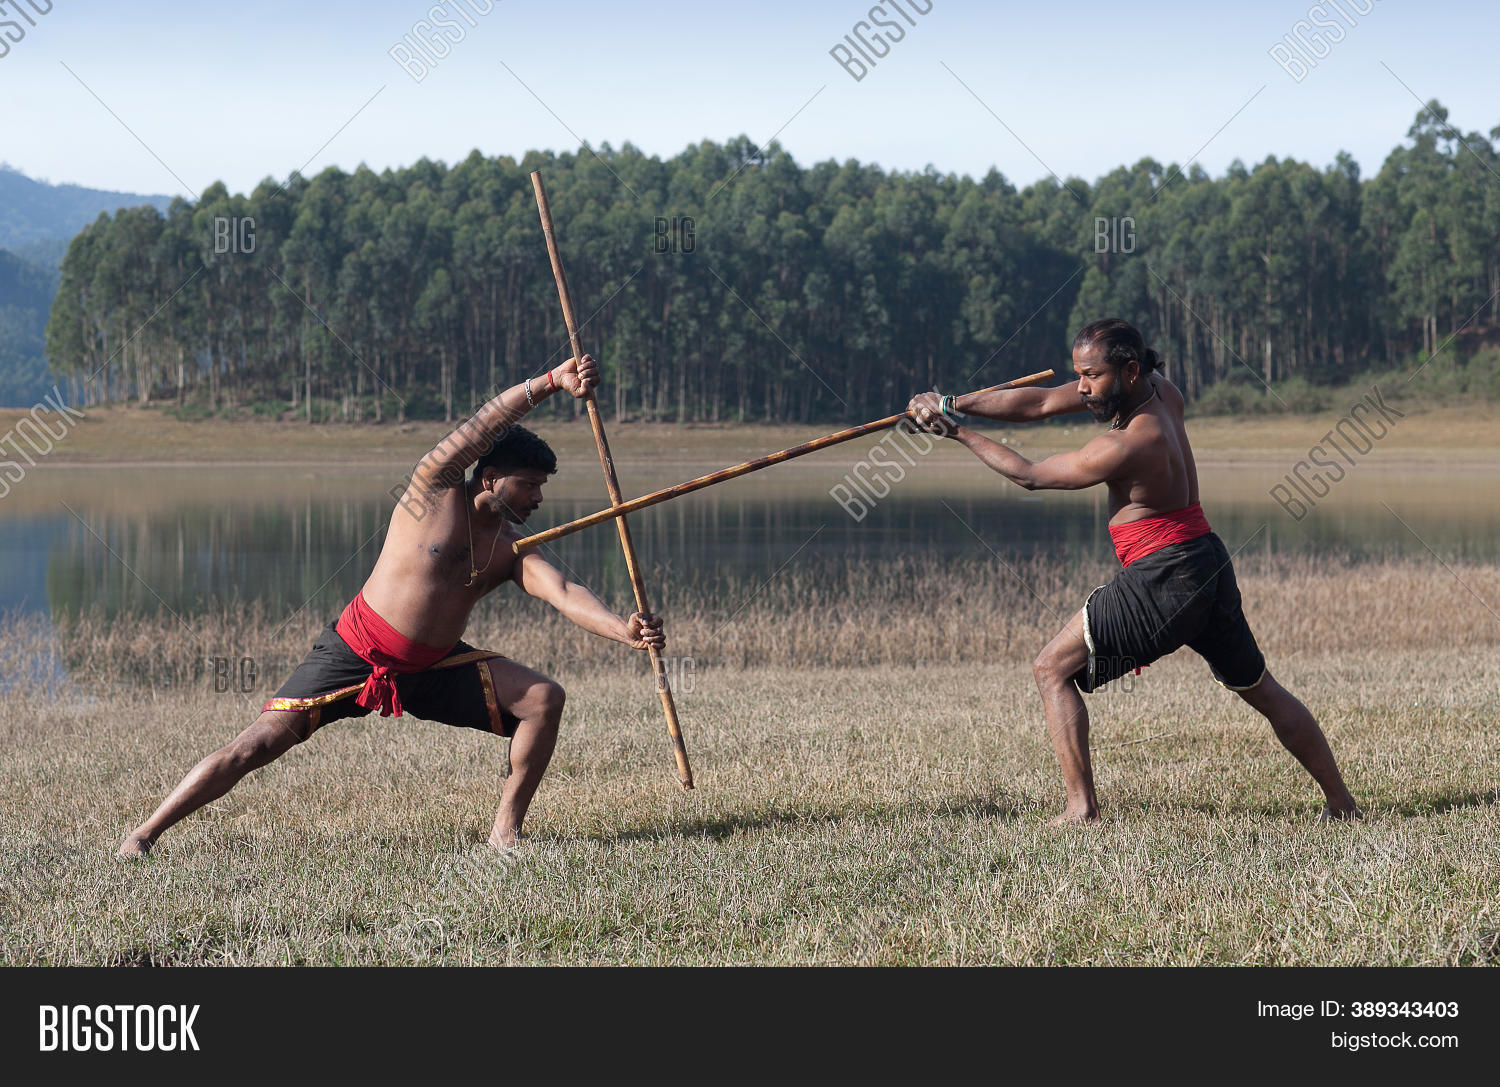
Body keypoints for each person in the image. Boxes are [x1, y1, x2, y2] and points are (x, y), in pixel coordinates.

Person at [119, 354, 663, 855]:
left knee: (544, 699)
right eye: (529, 485)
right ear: (491, 477)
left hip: (434, 665)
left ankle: (505, 834)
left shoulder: (511, 549)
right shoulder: (432, 488)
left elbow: (565, 594)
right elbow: (481, 426)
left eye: (542, 488)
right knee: (254, 747)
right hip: (353, 651)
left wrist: (625, 630)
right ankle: (143, 835)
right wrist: (549, 383)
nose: (539, 498)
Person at [908, 318, 1360, 825]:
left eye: (1091, 376)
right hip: (1206, 560)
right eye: (1079, 374)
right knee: (1261, 688)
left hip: (1166, 576)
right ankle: (1342, 805)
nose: (1081, 387)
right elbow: (1040, 403)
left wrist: (955, 431)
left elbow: (1030, 475)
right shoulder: (1161, 391)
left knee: (1051, 669)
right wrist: (953, 402)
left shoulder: (1126, 445)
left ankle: (1081, 809)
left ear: (1127, 371)